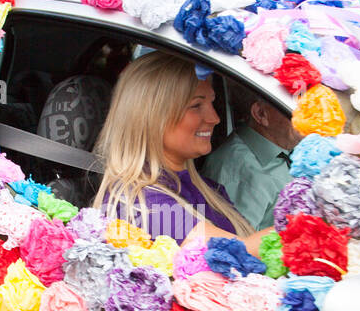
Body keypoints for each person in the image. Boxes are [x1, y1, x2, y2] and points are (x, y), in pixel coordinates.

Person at [93, 51, 271, 251]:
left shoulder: (206, 188)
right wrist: (304, 229)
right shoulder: (144, 203)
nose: (214, 118)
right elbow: (238, 254)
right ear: (153, 117)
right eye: (196, 105)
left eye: (212, 103)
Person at [202, 84, 295, 231]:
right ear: (260, 113)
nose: (306, 114)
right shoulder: (242, 168)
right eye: (292, 103)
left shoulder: (280, 152)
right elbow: (238, 246)